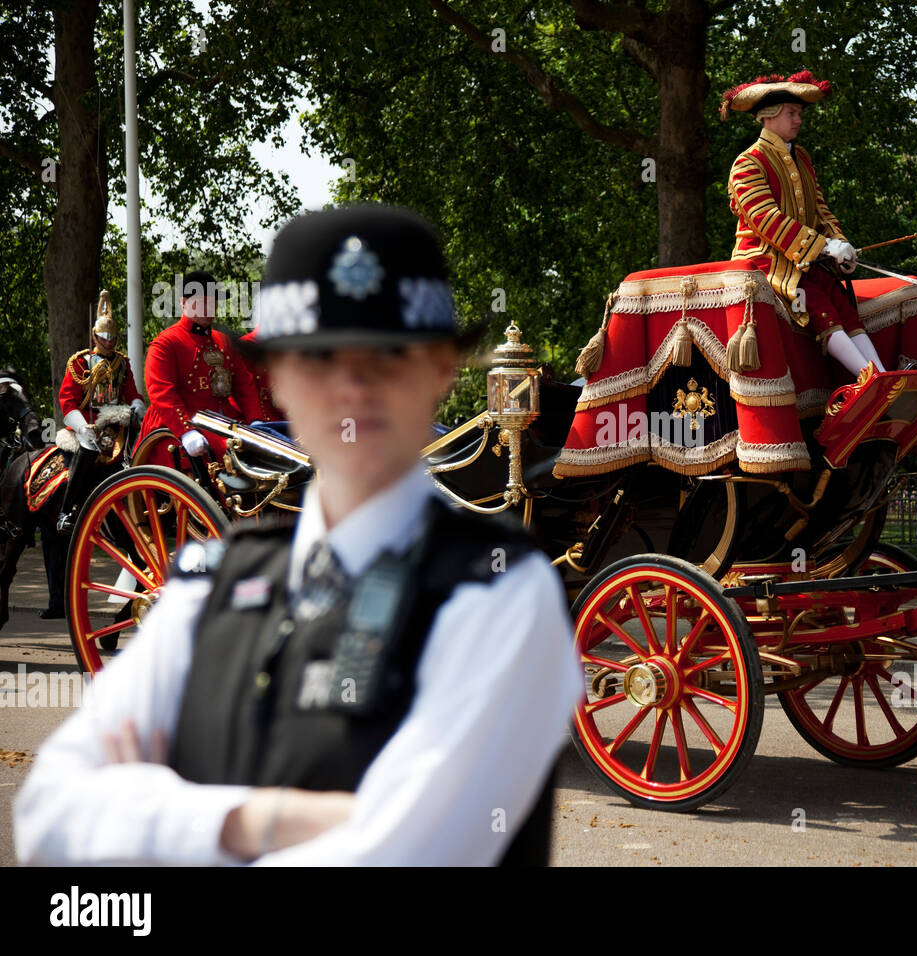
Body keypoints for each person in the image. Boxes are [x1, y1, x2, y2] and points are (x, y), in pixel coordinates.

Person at [15, 204, 583, 865]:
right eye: (318, 358)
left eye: (387, 355)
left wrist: (170, 823)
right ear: (281, 377)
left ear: (441, 373)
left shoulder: (501, 592)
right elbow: (47, 816)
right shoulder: (207, 587)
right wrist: (260, 821)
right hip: (186, 436)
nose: (352, 387)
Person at [720, 70, 887, 378]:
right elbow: (766, 220)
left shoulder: (802, 158)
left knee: (844, 305)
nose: (798, 119)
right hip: (764, 263)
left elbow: (820, 211)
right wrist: (823, 247)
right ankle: (869, 378)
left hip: (804, 263)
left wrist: (840, 244)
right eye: (791, 113)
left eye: (799, 113)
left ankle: (882, 374)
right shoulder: (748, 163)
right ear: (769, 116)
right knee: (819, 302)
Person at [133, 269, 268, 467]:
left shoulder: (224, 342)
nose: (207, 307)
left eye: (212, 302)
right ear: (183, 303)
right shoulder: (166, 343)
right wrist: (186, 430)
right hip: (176, 428)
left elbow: (244, 385)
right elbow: (162, 393)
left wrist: (256, 420)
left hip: (223, 424)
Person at [54, 291, 145, 537]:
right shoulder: (80, 363)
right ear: (95, 335)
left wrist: (137, 404)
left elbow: (132, 392)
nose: (108, 341)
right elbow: (68, 402)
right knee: (90, 445)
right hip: (87, 422)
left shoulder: (122, 363)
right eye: (104, 336)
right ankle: (67, 511)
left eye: (112, 336)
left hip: (116, 421)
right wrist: (83, 426)